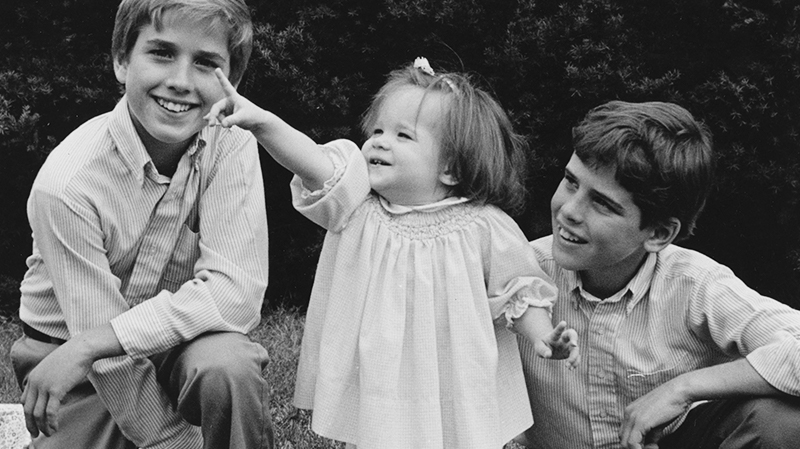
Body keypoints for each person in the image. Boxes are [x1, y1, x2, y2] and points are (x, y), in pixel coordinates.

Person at [205, 58, 580, 448]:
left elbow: (518, 289)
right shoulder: (359, 207)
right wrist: (263, 123)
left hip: (455, 379)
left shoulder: (483, 226)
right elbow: (313, 162)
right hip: (380, 375)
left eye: (404, 136)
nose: (380, 141)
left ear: (450, 167)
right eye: (379, 129)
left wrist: (541, 337)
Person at [10, 0, 273, 448]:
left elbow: (236, 296)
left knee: (227, 365)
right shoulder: (69, 182)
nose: (181, 82)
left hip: (170, 347)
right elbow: (104, 360)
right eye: (162, 53)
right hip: (70, 363)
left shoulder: (231, 146)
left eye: (206, 63)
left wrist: (96, 341)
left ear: (233, 82)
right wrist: (179, 445)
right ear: (121, 60)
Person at [517, 100, 800, 449]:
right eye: (571, 182)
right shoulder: (520, 273)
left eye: (603, 204)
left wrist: (682, 389)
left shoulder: (694, 284)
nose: (570, 211)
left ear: (659, 234)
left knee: (781, 423)